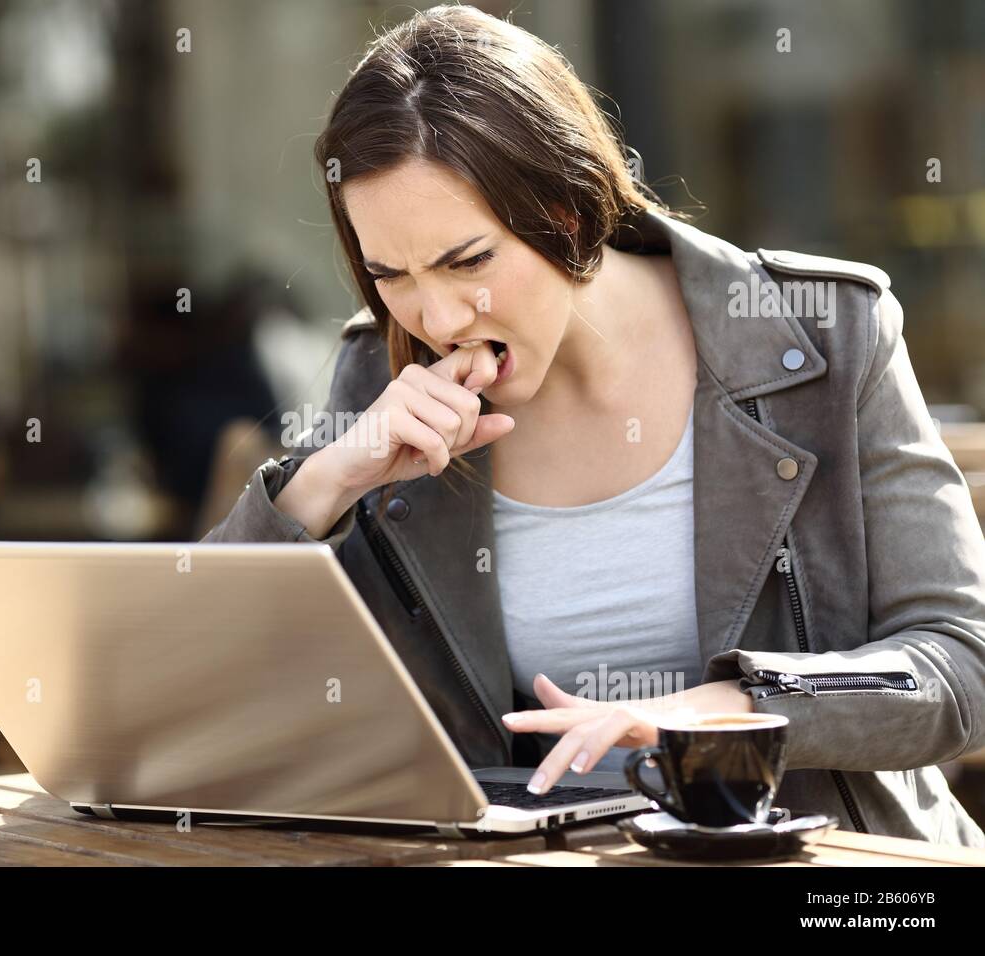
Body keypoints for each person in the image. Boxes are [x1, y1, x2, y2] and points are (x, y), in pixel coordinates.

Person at [203, 5, 985, 846]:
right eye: (391, 273)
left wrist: (729, 710)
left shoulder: (825, 337)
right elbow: (199, 673)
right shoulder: (380, 376)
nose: (434, 316)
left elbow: (962, 667)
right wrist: (326, 482)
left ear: (568, 211)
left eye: (468, 261)